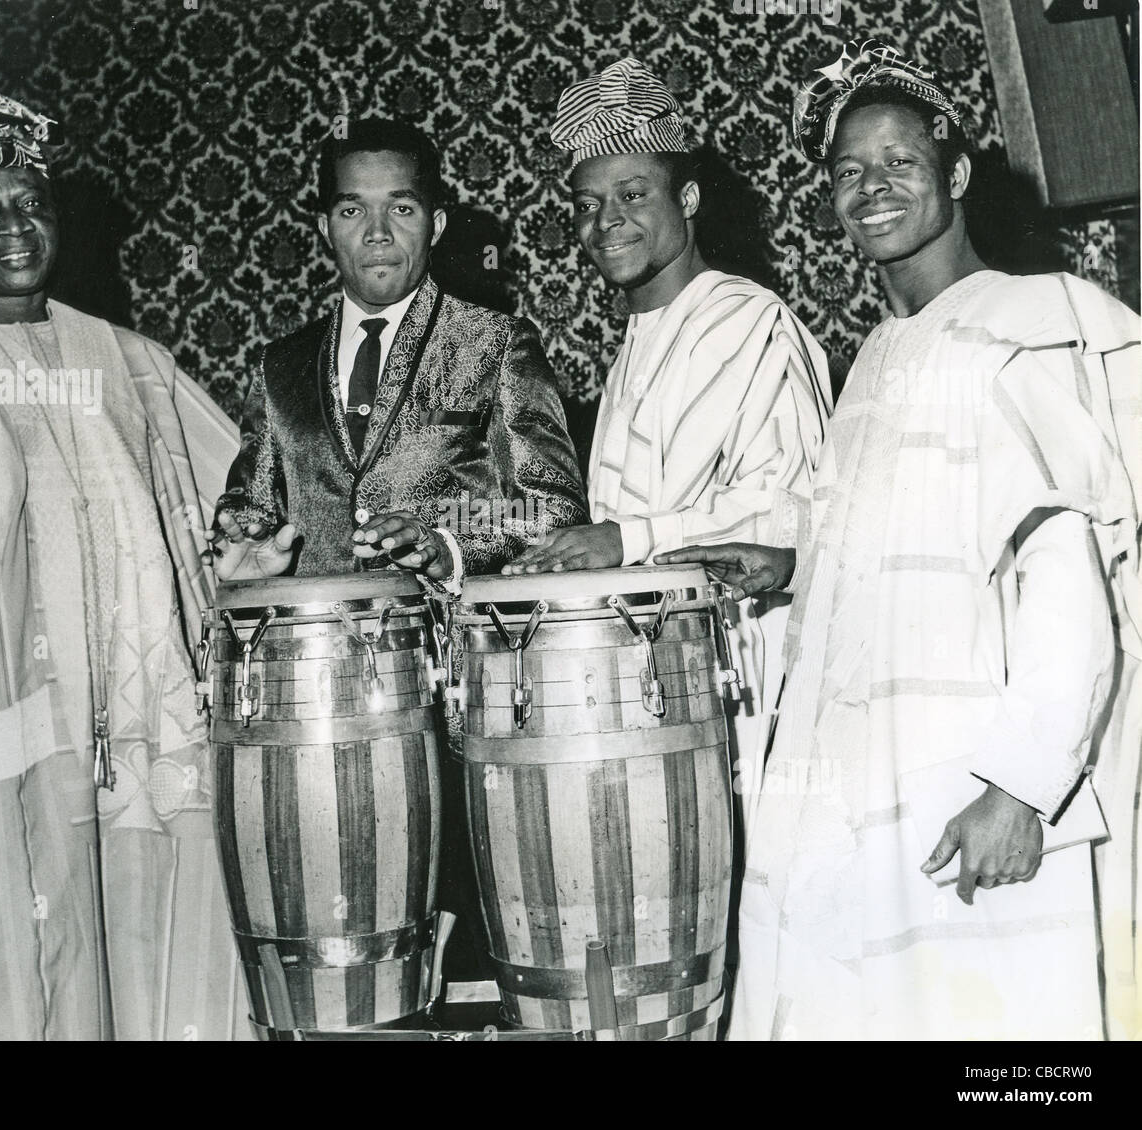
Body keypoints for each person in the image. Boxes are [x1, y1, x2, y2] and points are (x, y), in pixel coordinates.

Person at [660, 40, 1141, 1040]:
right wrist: (791, 565)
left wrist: (1019, 782)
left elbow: (1065, 579)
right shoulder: (878, 356)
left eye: (898, 163)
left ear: (955, 173)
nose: (869, 188)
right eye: (845, 171)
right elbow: (906, 551)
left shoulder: (1023, 321)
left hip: (970, 789)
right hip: (862, 788)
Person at [0, 94, 245, 1039]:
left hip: (137, 766)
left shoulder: (132, 364)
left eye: (30, 204)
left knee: (144, 991)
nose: (14, 229)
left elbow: (240, 522)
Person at [507, 58, 832, 820]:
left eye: (630, 195)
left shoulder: (750, 320)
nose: (605, 221)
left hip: (754, 686)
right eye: (586, 205)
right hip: (664, 684)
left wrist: (626, 540)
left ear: (685, 198)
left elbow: (791, 518)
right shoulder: (636, 343)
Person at [211, 118, 587, 586]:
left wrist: (447, 546)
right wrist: (243, 544)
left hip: (451, 649)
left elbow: (554, 508)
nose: (377, 233)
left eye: (402, 209)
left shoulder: (497, 343)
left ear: (436, 226)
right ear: (325, 227)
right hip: (314, 651)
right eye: (353, 211)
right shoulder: (280, 366)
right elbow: (252, 510)